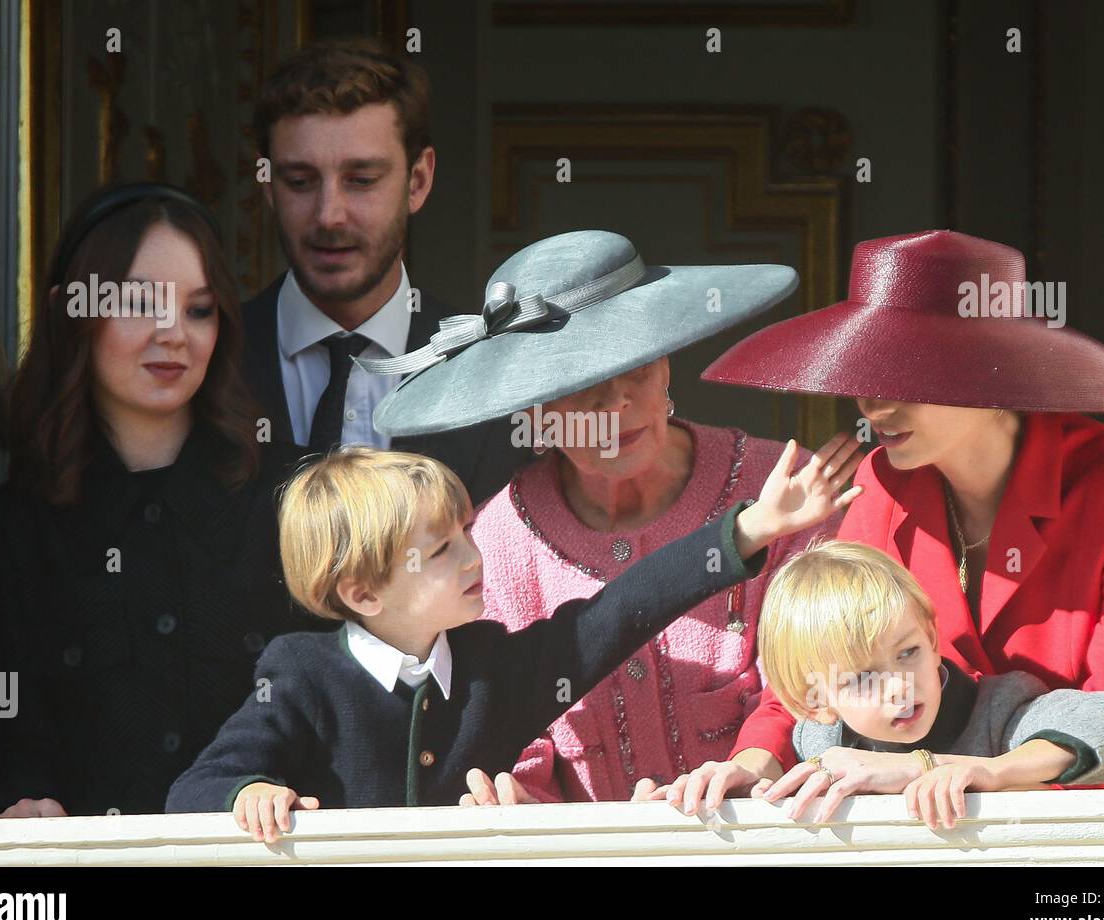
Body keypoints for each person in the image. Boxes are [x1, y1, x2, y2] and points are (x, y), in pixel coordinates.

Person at [665, 229, 1104, 814]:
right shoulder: (884, 482)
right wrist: (749, 766)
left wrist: (932, 769)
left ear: (995, 371)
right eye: (865, 372)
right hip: (912, 834)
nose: (873, 407)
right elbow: (820, 665)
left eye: (908, 374)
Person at [164, 434, 855, 842]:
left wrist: (748, 532)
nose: (475, 558)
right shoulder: (299, 671)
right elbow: (196, 787)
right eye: (440, 551)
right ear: (363, 593)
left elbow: (617, 613)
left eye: (468, 533)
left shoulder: (491, 664)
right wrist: (246, 794)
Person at [360, 228, 850, 804]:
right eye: (583, 383)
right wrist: (516, 798)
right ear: (532, 407)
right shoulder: (495, 545)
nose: (617, 404)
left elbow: (828, 680)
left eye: (637, 369)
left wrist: (752, 765)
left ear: (667, 366)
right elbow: (513, 733)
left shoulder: (786, 490)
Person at [0, 182, 334, 819]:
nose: (174, 334)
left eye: (199, 310)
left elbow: (344, 704)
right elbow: (15, 733)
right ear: (73, 313)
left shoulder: (293, 493)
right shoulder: (15, 526)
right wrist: (23, 808)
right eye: (141, 304)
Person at [242, 37, 530, 505]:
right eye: (299, 182)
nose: (328, 215)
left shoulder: (495, 380)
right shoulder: (205, 361)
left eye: (361, 180)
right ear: (269, 187)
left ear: (418, 182)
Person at [750, 540, 1104, 830]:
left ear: (932, 639)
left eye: (907, 653)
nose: (898, 687)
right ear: (816, 701)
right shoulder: (822, 742)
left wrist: (978, 771)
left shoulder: (997, 709)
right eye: (862, 678)